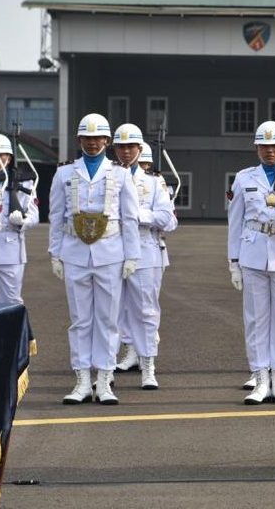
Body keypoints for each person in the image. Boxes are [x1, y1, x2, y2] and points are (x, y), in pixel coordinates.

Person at [49, 113, 141, 405]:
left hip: (110, 252)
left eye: (97, 138)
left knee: (107, 319)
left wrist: (132, 255)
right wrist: (55, 253)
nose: (92, 143)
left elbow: (130, 218)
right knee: (79, 320)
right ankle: (81, 380)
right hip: (75, 251)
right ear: (79, 141)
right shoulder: (64, 173)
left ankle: (103, 380)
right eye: (87, 139)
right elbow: (55, 217)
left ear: (107, 141)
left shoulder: (121, 174)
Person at [227, 121, 275, 405]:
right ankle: (259, 377)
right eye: (264, 146)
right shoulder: (244, 178)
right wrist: (233, 260)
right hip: (253, 253)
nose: (270, 151)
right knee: (256, 319)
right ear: (257, 147)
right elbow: (235, 222)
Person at [111, 124, 177, 391]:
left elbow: (167, 218)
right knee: (110, 312)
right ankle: (106, 368)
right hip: (113, 250)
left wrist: (137, 215)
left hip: (145, 250)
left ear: (139, 149)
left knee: (146, 311)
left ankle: (148, 366)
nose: (126, 152)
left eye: (131, 147)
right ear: (114, 149)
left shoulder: (153, 183)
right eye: (122, 147)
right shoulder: (108, 177)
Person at [0, 133, 39, 306]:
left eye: (1, 155)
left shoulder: (24, 182)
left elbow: (34, 215)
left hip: (10, 247)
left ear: (9, 157)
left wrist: (22, 220)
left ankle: (13, 333)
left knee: (11, 300)